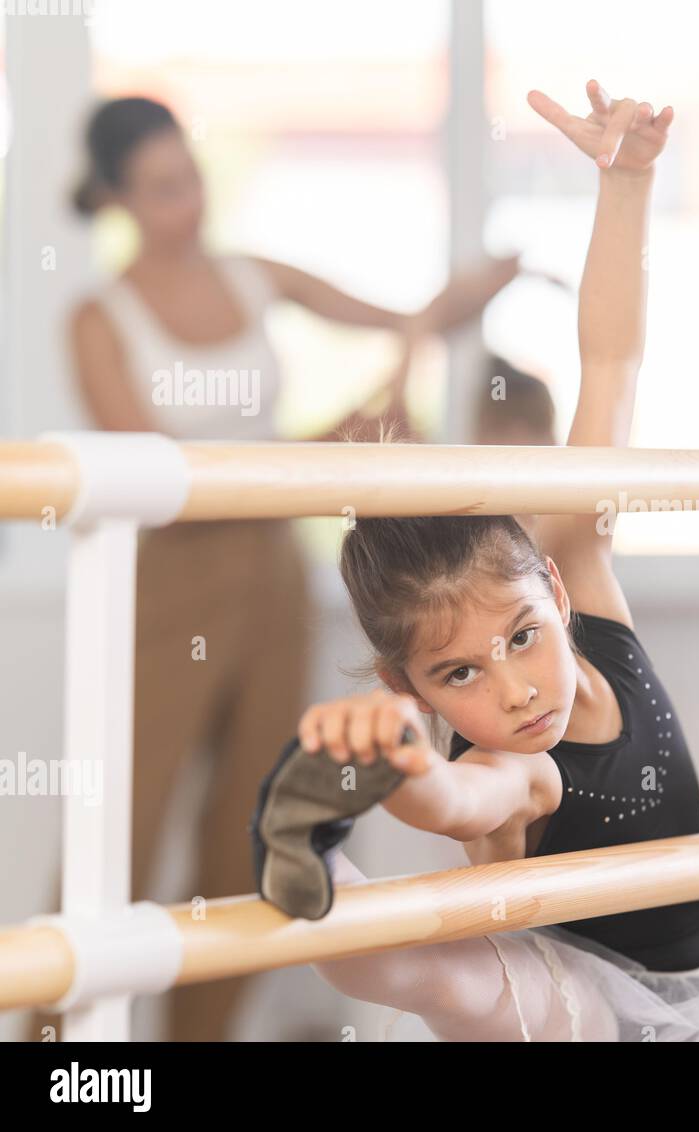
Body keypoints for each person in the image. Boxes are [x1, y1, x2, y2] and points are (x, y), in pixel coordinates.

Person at [295, 80, 699, 1041]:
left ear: (556, 589)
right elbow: (453, 797)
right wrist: (393, 765)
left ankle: (324, 876)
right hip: (572, 1003)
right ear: (411, 689)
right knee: (447, 977)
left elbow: (611, 367)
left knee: (460, 971)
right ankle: (314, 866)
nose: (517, 691)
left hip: (695, 1001)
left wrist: (626, 183)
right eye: (461, 673)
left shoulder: (587, 585)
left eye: (521, 636)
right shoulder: (507, 767)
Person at [28, 95, 517, 1043]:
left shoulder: (253, 278)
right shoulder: (100, 315)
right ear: (118, 197)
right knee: (117, 833)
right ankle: (58, 1054)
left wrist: (470, 294)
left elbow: (410, 318)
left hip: (273, 581)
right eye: (164, 188)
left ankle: (194, 1045)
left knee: (254, 827)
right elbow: (161, 474)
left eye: (193, 176)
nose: (190, 202)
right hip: (165, 585)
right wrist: (326, 447)